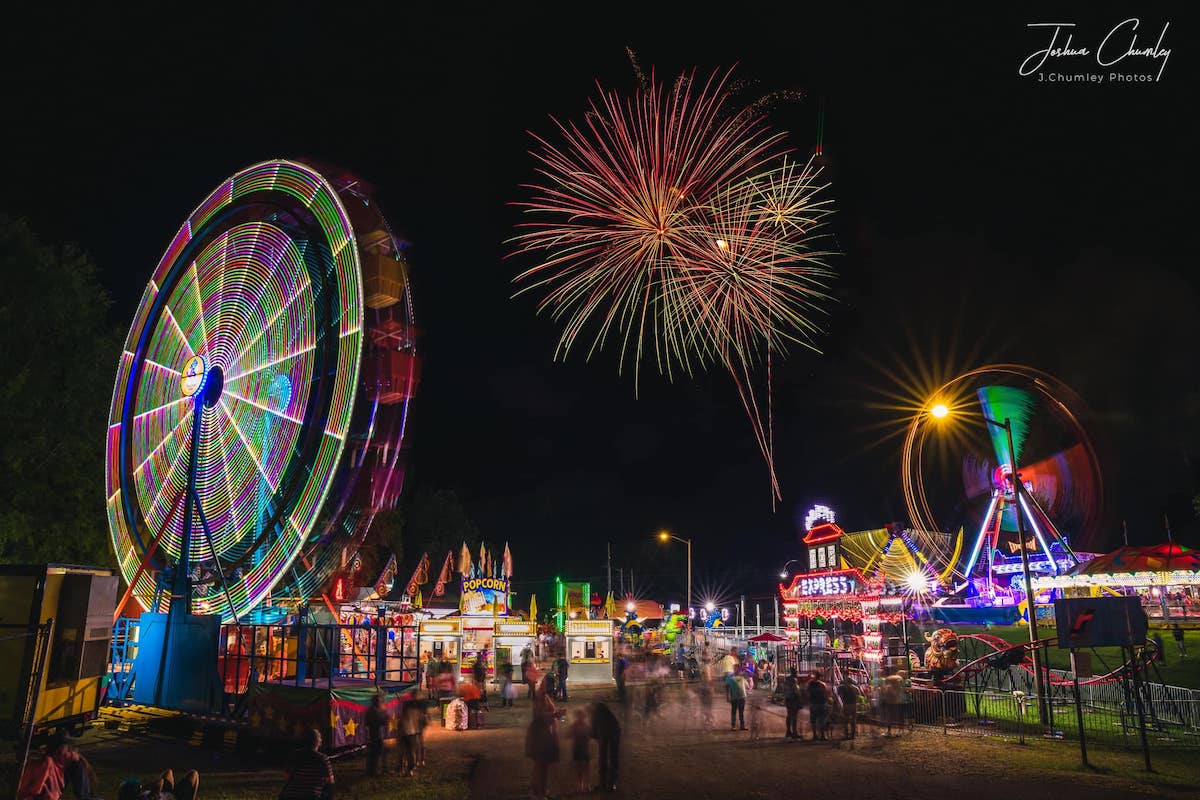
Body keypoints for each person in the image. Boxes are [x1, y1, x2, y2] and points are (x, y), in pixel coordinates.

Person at [18, 734, 97, 800]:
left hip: (49, 790)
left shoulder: (59, 759)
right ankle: (84, 797)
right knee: (77, 765)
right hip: (42, 794)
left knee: (77, 765)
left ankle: (84, 797)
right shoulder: (48, 761)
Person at [525, 680, 560, 800]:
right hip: (539, 736)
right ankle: (536, 793)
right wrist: (555, 715)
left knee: (544, 766)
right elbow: (539, 715)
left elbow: (552, 711)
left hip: (545, 735)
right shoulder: (538, 700)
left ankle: (542, 792)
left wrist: (555, 714)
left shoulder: (545, 697)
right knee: (540, 765)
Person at [279, 728, 334, 800]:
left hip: (291, 795)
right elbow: (330, 781)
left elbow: (286, 777)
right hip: (312, 796)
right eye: (320, 737)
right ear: (318, 741)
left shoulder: (295, 755)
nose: (321, 739)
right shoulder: (323, 758)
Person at [117, 769, 200, 800]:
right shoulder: (149, 797)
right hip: (174, 797)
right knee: (193, 774)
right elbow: (159, 782)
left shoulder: (139, 796)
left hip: (164, 793)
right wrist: (143, 787)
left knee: (168, 772)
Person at [568, 708, 590, 792]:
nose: (580, 718)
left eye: (581, 716)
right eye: (578, 716)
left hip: (584, 749)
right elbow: (569, 734)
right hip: (578, 749)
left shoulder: (585, 725)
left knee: (585, 768)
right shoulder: (576, 725)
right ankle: (580, 784)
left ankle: (586, 784)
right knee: (579, 768)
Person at [807, 671, 829, 741]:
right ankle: (822, 735)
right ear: (820, 677)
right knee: (822, 719)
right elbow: (826, 694)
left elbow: (807, 692)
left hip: (813, 703)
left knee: (813, 720)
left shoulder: (810, 684)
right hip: (821, 703)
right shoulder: (822, 684)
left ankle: (814, 736)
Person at [783, 668, 802, 740]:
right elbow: (796, 690)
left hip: (788, 699)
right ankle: (794, 732)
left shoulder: (786, 680)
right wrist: (800, 699)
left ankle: (788, 731)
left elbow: (784, 689)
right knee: (794, 717)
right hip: (794, 699)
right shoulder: (794, 680)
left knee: (789, 715)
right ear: (794, 673)